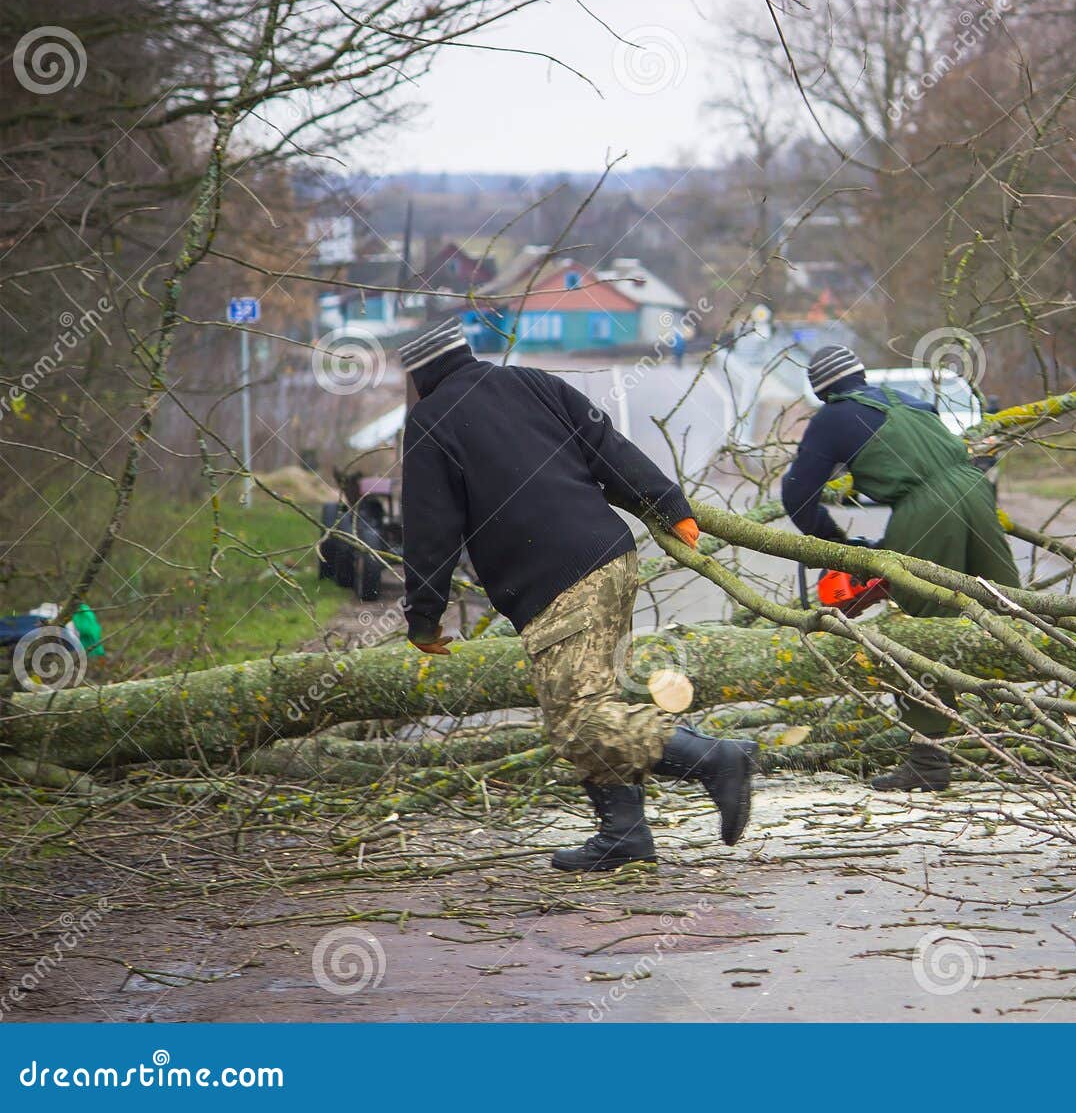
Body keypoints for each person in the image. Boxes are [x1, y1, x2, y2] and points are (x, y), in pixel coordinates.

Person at [397, 320, 757, 870]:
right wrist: (667, 503)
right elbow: (605, 444)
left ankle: (715, 759)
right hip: (611, 556)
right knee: (597, 701)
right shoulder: (530, 382)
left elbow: (430, 528)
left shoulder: (428, 421)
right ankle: (624, 832)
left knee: (579, 719)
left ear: (419, 376)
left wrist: (424, 615)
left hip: (556, 578)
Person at [781, 344, 1020, 790]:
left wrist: (837, 548)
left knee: (917, 631)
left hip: (925, 509)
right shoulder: (905, 401)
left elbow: (795, 494)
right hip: (975, 490)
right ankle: (1034, 716)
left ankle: (928, 763)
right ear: (861, 373)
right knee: (1007, 607)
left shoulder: (831, 419)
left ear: (821, 392)